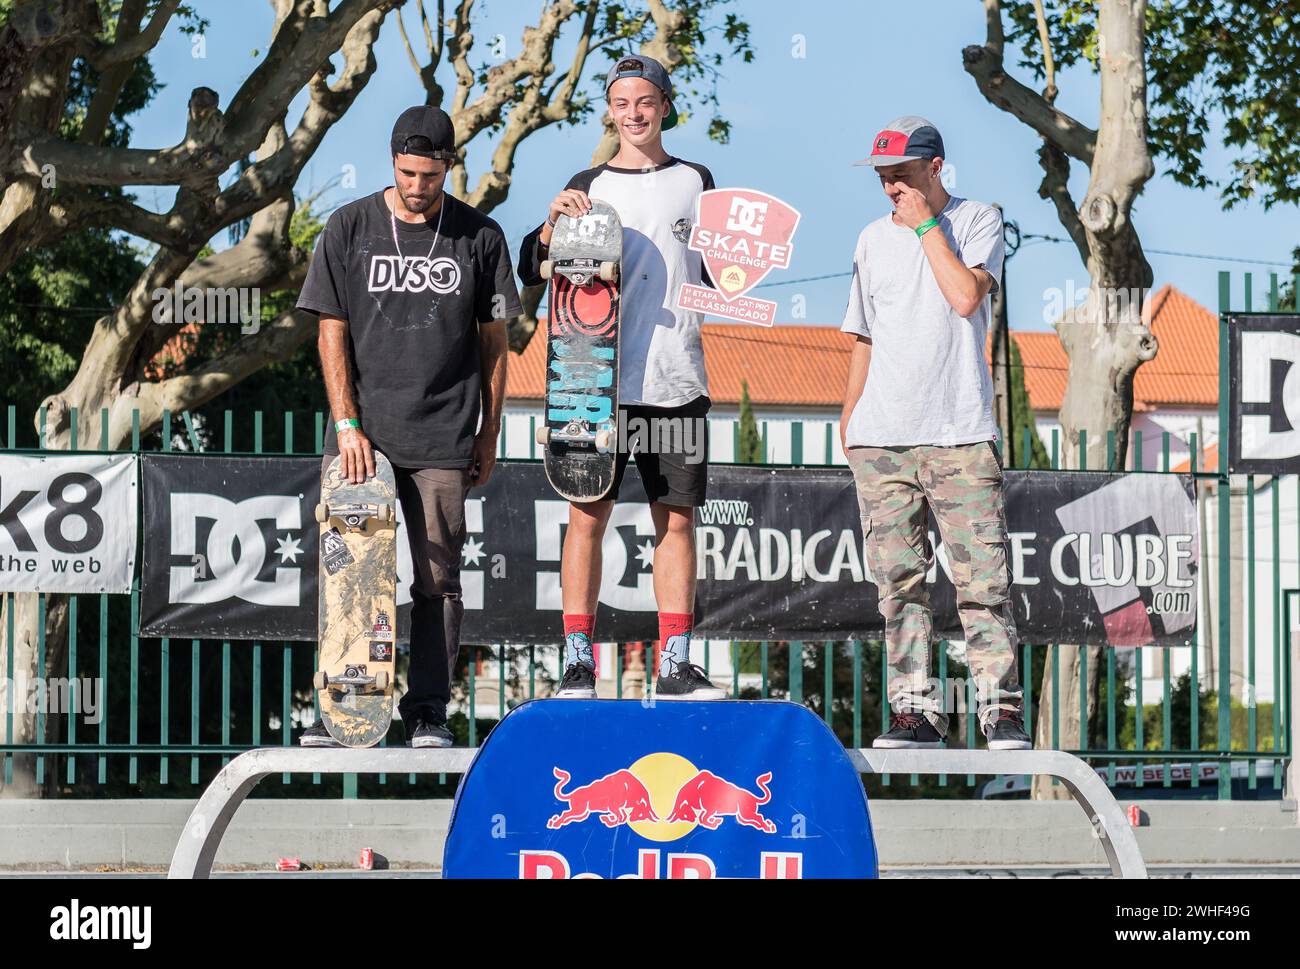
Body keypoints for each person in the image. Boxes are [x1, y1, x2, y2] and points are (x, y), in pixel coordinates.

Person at [296, 105, 522, 747]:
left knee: (436, 579)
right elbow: (330, 328)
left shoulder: (480, 236)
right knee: (350, 571)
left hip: (444, 435)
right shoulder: (350, 226)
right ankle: (342, 705)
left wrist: (489, 432)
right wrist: (346, 423)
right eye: (406, 173)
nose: (417, 186)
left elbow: (497, 344)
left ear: (449, 167)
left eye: (429, 174)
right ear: (391, 163)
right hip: (364, 437)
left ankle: (426, 711)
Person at [518, 55, 724, 700]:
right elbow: (533, 264)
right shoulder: (587, 183)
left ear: (665, 106)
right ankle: (579, 660)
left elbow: (723, 275)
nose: (633, 114)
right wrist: (555, 221)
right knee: (585, 519)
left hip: (676, 379)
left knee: (678, 522)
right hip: (594, 383)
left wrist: (754, 274)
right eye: (621, 103)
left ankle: (676, 662)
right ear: (609, 111)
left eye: (645, 102)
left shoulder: (698, 180)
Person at [840, 116, 1032, 750]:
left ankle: (999, 711)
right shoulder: (869, 238)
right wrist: (849, 412)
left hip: (957, 432)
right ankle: (914, 712)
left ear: (934, 168)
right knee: (898, 584)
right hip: (882, 434)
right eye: (881, 176)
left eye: (900, 173)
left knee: (981, 582)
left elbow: (965, 298)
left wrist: (926, 226)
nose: (890, 185)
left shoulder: (977, 220)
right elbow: (863, 334)